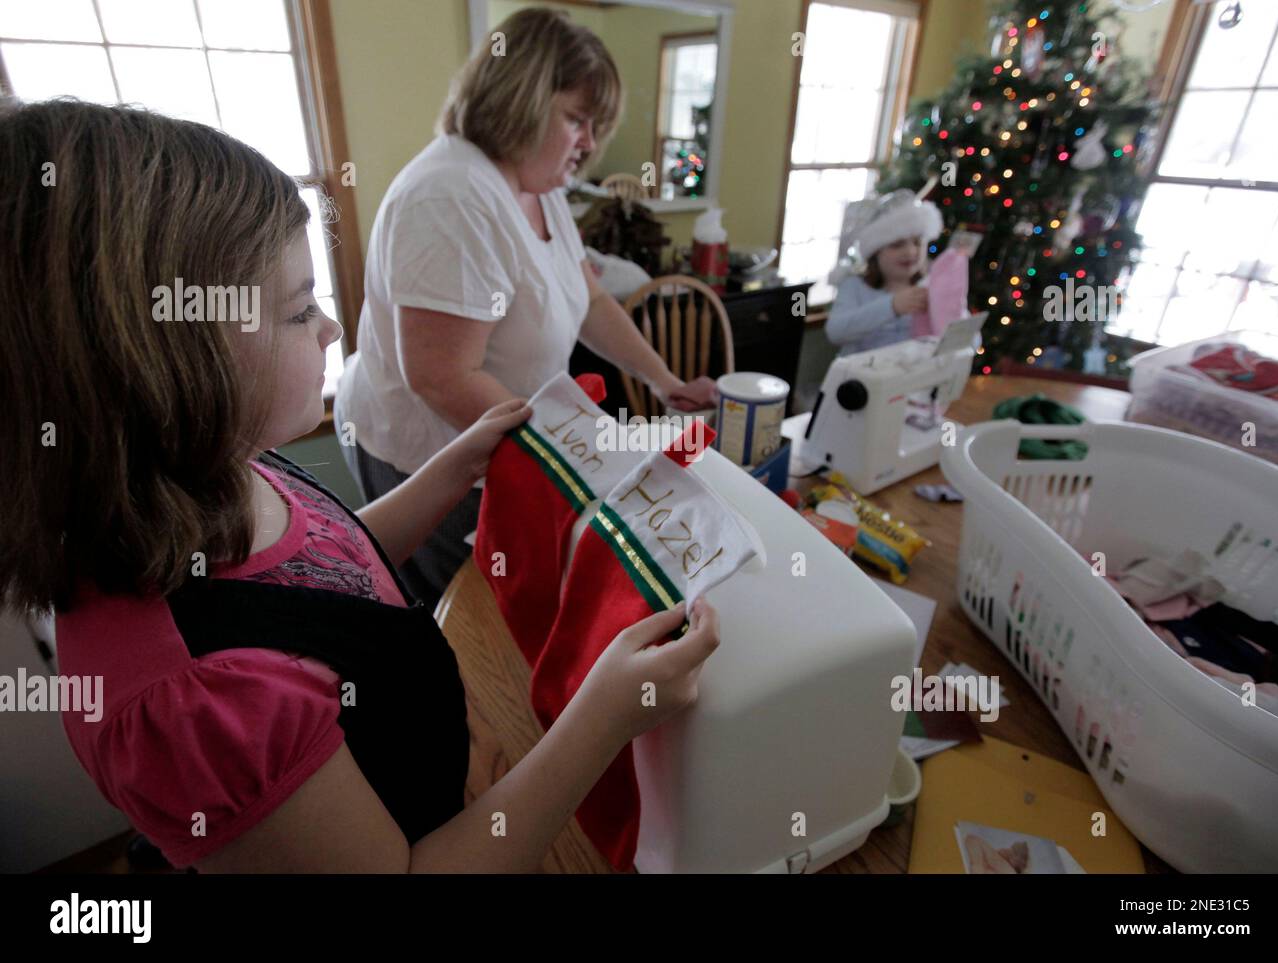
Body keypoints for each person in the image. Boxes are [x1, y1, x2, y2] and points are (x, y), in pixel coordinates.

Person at [1, 98, 720, 872]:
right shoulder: (201, 701)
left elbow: (331, 572)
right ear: (160, 364)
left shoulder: (217, 461)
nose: (333, 329)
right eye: (298, 309)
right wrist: (603, 717)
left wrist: (455, 466)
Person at [334, 7, 716, 609]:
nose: (590, 143)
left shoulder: (538, 186)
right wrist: (577, 454)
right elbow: (440, 377)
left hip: (505, 441)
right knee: (466, 622)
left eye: (596, 124)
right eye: (577, 119)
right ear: (522, 99)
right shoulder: (451, 194)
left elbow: (587, 296)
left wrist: (664, 383)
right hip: (426, 452)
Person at [825, 189, 942, 356]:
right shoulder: (854, 286)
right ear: (875, 252)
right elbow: (835, 332)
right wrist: (892, 306)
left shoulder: (932, 285)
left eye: (917, 243)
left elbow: (967, 337)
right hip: (860, 378)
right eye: (896, 245)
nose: (910, 252)